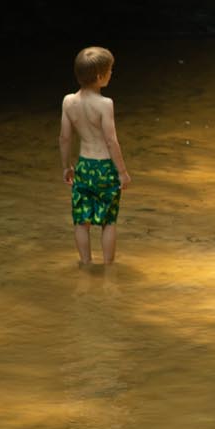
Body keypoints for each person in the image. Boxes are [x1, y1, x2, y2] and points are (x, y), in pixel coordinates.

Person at [60, 46, 129, 268]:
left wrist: (66, 166)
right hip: (105, 168)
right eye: (110, 70)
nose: (112, 74)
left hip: (84, 167)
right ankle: (109, 269)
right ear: (100, 77)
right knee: (108, 221)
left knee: (82, 220)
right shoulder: (104, 104)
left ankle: (86, 264)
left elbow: (64, 138)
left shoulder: (68, 102)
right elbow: (111, 141)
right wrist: (122, 172)